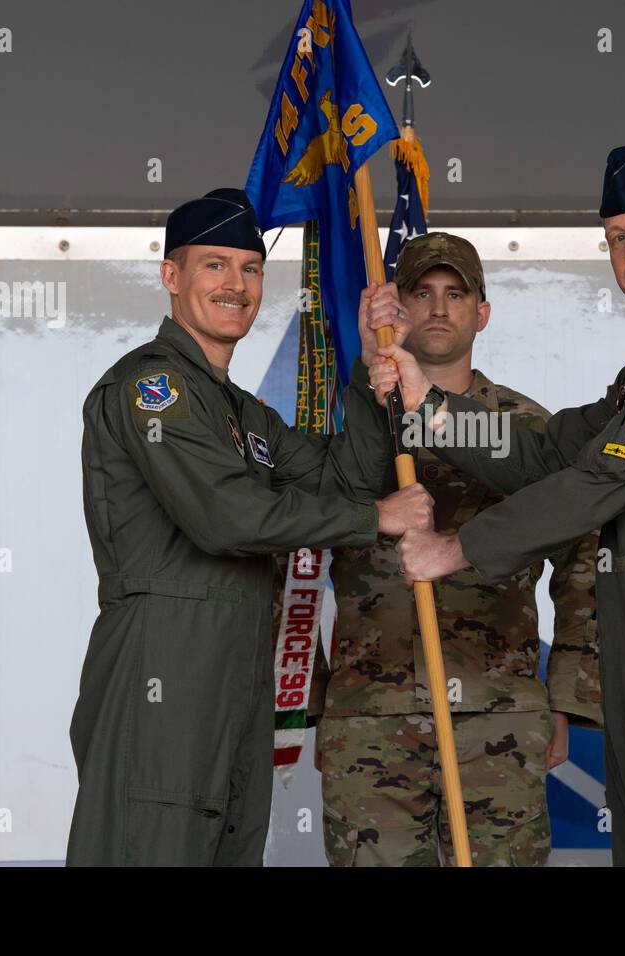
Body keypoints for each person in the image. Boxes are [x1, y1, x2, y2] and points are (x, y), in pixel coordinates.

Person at [371, 149, 625, 866]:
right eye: (618, 238)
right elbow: (545, 451)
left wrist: (458, 547)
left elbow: (602, 477)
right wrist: (429, 406)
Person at [66, 187, 432, 866]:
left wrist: (366, 374)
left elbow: (339, 480)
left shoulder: (239, 412)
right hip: (164, 666)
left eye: (251, 268)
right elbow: (225, 517)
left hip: (235, 672)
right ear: (171, 275)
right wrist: (374, 518)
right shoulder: (155, 388)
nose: (236, 285)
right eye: (214, 265)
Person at [309, 232, 601, 866]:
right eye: (420, 293)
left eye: (456, 294)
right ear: (396, 309)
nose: (438, 309)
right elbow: (302, 542)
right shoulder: (354, 420)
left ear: (482, 313)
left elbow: (582, 563)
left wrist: (563, 698)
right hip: (370, 717)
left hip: (496, 712)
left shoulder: (527, 428)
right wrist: (316, 698)